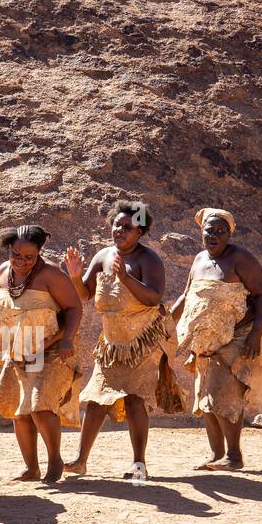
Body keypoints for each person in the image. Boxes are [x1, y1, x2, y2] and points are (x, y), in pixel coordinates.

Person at [63, 201, 181, 479]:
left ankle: (138, 463)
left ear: (140, 233)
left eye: (127, 227)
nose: (120, 230)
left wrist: (126, 277)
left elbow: (154, 297)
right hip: (112, 343)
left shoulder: (148, 259)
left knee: (133, 400)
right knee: (95, 400)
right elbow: (85, 295)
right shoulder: (103, 255)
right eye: (117, 224)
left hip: (143, 340)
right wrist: (76, 277)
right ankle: (81, 460)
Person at [0, 225, 82, 484]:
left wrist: (66, 339)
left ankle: (54, 459)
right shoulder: (3, 272)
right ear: (8, 250)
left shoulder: (51, 275)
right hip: (19, 350)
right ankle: (31, 468)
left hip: (53, 348)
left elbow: (74, 307)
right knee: (20, 411)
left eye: (29, 257)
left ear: (39, 253)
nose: (21, 262)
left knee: (40, 408)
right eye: (16, 255)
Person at [170, 207, 262, 470]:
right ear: (201, 232)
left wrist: (256, 335)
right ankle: (216, 455)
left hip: (237, 336)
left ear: (229, 234)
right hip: (204, 342)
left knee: (223, 394)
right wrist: (167, 320)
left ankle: (234, 456)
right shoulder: (199, 259)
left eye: (220, 231)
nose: (214, 235)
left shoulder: (241, 258)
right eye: (209, 230)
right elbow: (187, 294)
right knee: (205, 397)